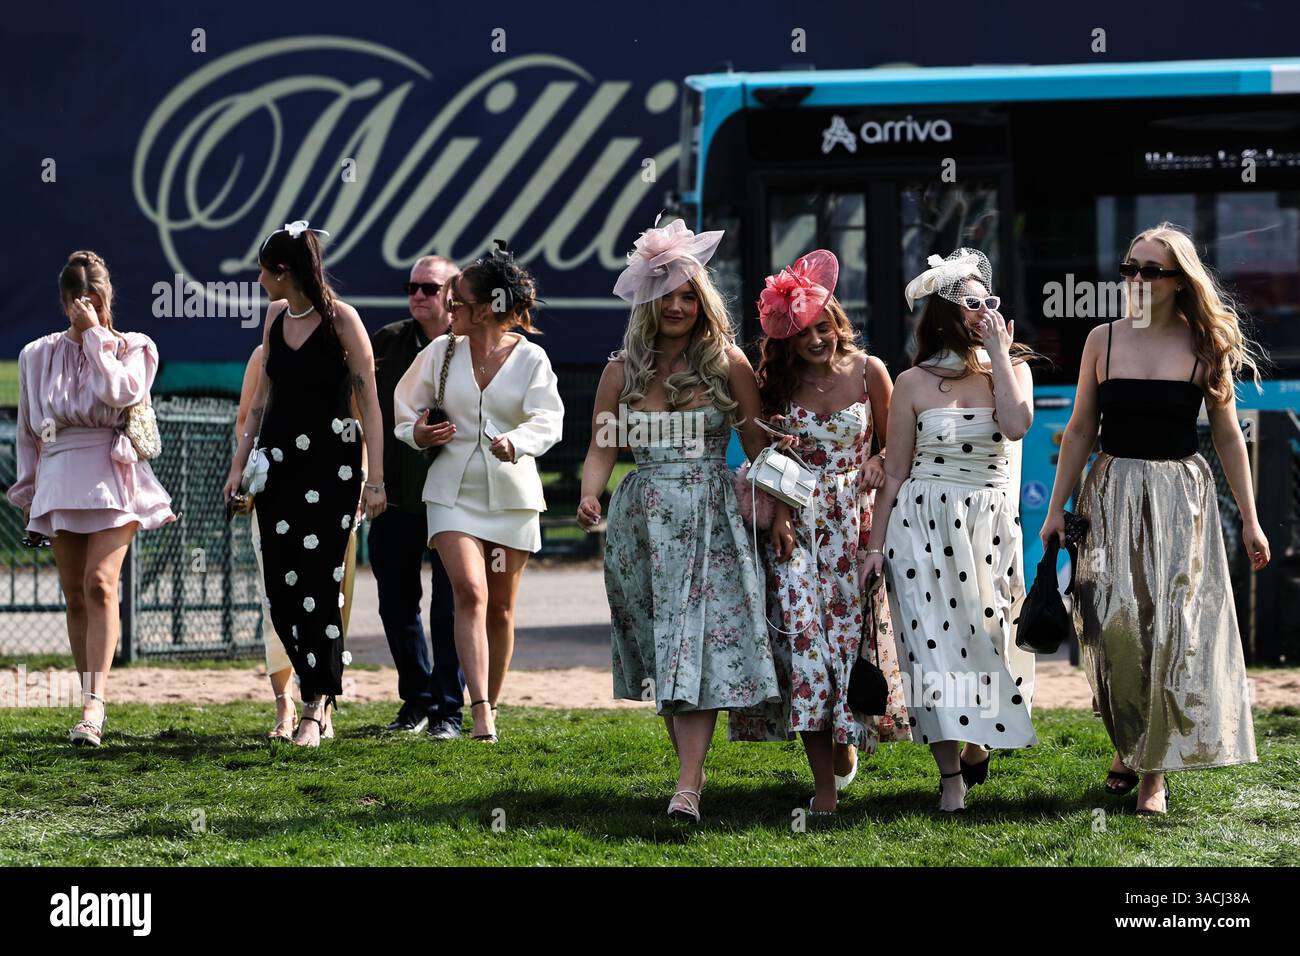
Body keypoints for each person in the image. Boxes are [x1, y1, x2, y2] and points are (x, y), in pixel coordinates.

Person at [1041, 222, 1270, 816]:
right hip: (1111, 490)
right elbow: (1080, 430)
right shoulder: (1103, 340)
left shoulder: (1203, 345)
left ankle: (1153, 776)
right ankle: (1129, 740)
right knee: (1117, 625)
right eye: (1130, 267)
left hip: (1178, 497)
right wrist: (1055, 508)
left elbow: (1226, 435)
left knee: (1171, 630)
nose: (1136, 279)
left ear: (1178, 281)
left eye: (1151, 270)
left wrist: (1250, 518)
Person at [578, 218, 780, 822]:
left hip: (712, 519)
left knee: (698, 646)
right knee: (665, 651)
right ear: (646, 301)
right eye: (665, 294)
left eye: (688, 294)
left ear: (703, 301)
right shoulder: (622, 371)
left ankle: (688, 783)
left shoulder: (728, 363)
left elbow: (758, 445)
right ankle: (690, 774)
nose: (677, 305)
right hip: (642, 523)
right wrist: (591, 494)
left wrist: (781, 511)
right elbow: (601, 447)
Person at [728, 249, 911, 815]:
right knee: (806, 649)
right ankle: (825, 795)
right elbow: (760, 456)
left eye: (824, 326)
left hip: (856, 528)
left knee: (846, 650)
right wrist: (779, 512)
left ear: (838, 323)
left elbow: (896, 445)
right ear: (786, 337)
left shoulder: (869, 371)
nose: (817, 339)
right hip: (796, 528)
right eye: (804, 331)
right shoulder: (773, 386)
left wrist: (878, 460)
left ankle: (844, 746)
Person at [861, 247, 1039, 813]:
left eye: (988, 301)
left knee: (988, 644)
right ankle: (950, 781)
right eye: (970, 304)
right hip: (921, 525)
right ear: (943, 312)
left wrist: (997, 354)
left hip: (987, 526)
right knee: (930, 652)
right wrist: (873, 546)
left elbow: (1015, 426)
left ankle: (978, 740)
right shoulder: (913, 382)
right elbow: (893, 473)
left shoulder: (1013, 370)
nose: (982, 310)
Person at [222, 221, 387, 748]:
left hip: (332, 470)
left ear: (284, 271)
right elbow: (260, 404)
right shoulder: (274, 319)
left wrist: (375, 478)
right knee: (281, 592)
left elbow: (370, 403)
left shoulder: (343, 321)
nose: (258, 278)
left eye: (263, 270)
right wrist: (237, 466)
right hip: (280, 468)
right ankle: (313, 688)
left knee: (321, 587)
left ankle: (317, 704)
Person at [394, 242, 563, 744]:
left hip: (513, 494)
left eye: (458, 302)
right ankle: (481, 712)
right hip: (450, 492)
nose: (449, 309)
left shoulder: (532, 358)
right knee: (470, 591)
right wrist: (417, 433)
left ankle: (492, 698)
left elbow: (549, 420)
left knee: (502, 607)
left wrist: (520, 442)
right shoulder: (440, 352)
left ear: (488, 306)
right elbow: (405, 406)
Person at [6, 250, 176, 746]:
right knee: (75, 593)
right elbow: (27, 430)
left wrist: (98, 338)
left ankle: (93, 707)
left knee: (101, 582)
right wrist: (28, 487)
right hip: (59, 475)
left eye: (96, 300)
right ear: (63, 303)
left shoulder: (133, 346)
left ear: (107, 299)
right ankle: (87, 694)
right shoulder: (36, 354)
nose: (87, 308)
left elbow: (121, 395)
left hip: (112, 471)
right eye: (78, 301)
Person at [235, 344, 363, 741]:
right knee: (274, 596)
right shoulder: (264, 354)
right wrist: (242, 475)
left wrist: (363, 483)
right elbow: (247, 419)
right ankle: (284, 703)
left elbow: (361, 420)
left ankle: (319, 699)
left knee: (329, 596)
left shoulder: (346, 349)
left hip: (334, 486)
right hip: (276, 489)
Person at [369, 255, 464, 738]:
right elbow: (368, 413)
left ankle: (449, 709)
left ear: (453, 294)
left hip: (453, 499)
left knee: (449, 608)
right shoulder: (387, 341)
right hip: (397, 496)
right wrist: (372, 479)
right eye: (412, 287)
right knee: (395, 603)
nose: (418, 295)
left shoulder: (468, 346)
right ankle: (416, 702)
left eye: (429, 288)